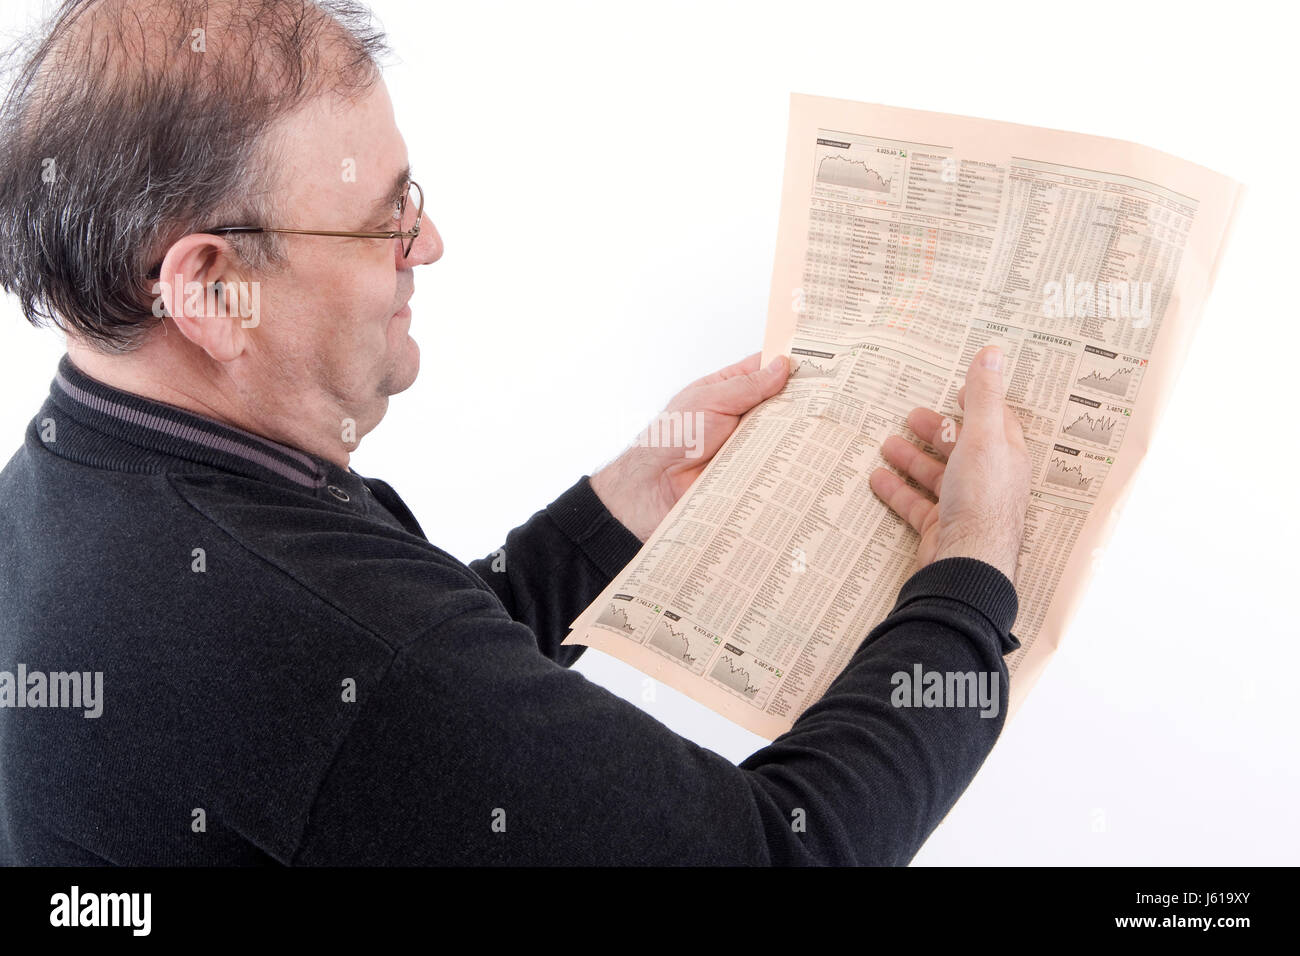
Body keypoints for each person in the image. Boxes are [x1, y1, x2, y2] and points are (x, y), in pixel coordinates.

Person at [0, 0, 1030, 865]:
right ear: (213, 290)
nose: (430, 244)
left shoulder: (71, 468)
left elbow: (393, 728)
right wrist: (971, 578)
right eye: (383, 220)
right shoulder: (317, 635)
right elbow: (783, 851)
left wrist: (612, 510)